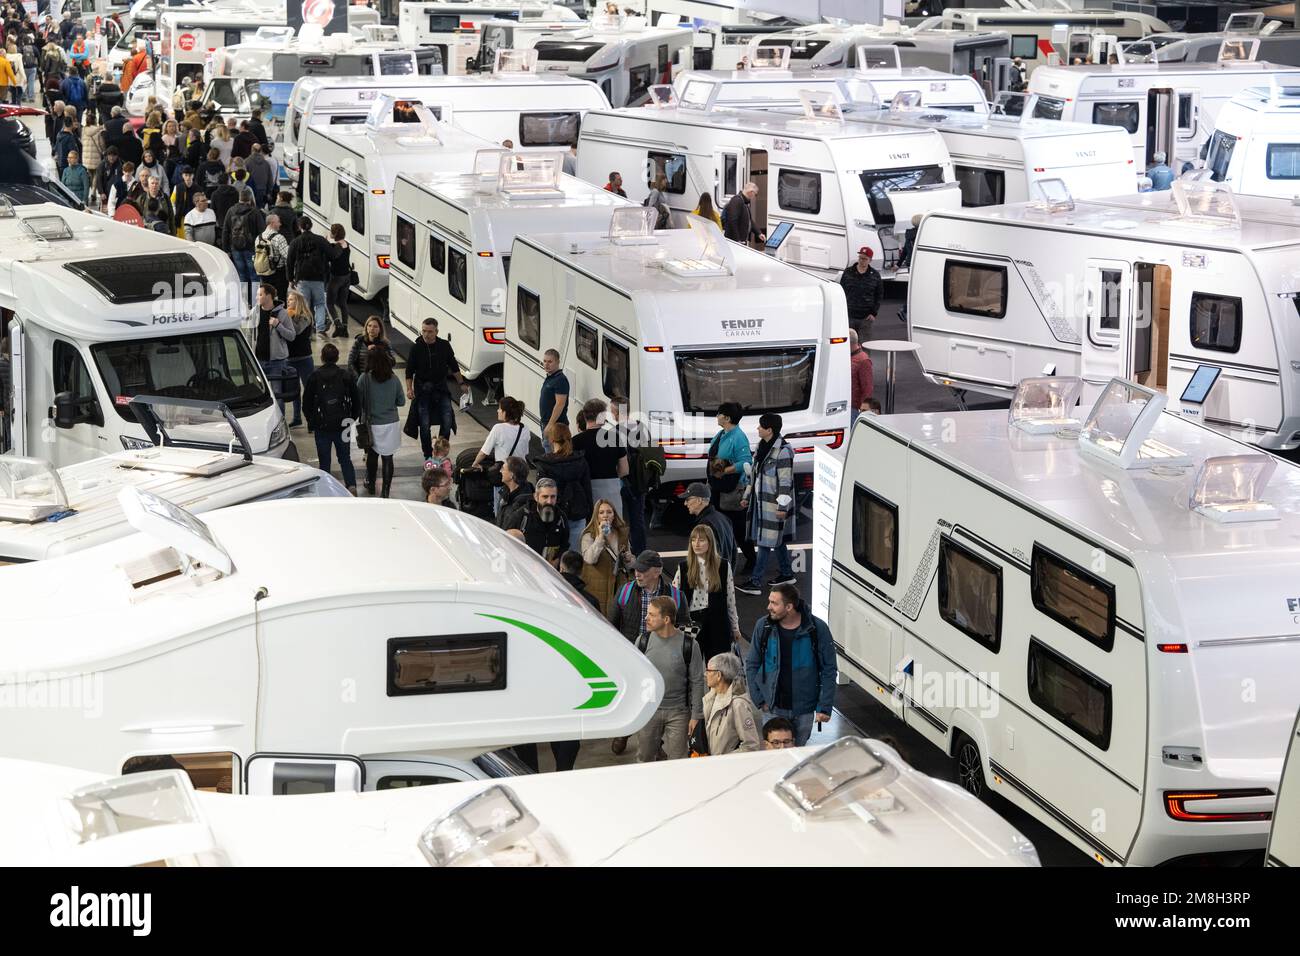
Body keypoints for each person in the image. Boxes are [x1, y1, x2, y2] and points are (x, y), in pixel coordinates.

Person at [744, 583, 836, 747]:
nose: (768, 607)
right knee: (774, 757)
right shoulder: (763, 626)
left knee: (797, 755)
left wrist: (824, 706)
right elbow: (751, 664)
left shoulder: (817, 629)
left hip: (804, 710)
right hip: (772, 708)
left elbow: (829, 669)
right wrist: (759, 699)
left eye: (774, 603)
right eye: (769, 601)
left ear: (789, 606)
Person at [633, 596, 705, 762]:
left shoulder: (689, 645)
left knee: (678, 761)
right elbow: (635, 676)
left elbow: (697, 681)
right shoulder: (642, 641)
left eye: (651, 614)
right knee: (644, 759)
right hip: (649, 711)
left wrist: (696, 715)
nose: (646, 618)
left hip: (678, 712)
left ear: (666, 619)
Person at [739, 413, 796, 596]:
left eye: (760, 426)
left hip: (772, 506)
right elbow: (754, 476)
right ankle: (787, 573)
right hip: (760, 503)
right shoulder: (761, 447)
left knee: (764, 542)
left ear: (769, 429)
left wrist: (782, 508)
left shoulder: (783, 451)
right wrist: (747, 496)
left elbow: (786, 482)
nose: (757, 429)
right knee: (775, 540)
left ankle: (756, 582)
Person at [673, 523, 741, 662]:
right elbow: (674, 599)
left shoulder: (723, 566)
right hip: (691, 621)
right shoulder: (684, 567)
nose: (696, 543)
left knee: (719, 668)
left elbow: (730, 600)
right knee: (690, 665)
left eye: (701, 540)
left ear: (710, 543)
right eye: (693, 540)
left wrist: (735, 627)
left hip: (718, 621)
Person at [301, 342, 359, 495]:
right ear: (337, 357)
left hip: (322, 427)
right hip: (343, 425)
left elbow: (306, 403)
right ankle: (351, 485)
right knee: (345, 458)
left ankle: (325, 489)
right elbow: (357, 400)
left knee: (325, 461)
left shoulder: (314, 377)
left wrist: (312, 421)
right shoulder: (346, 375)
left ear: (322, 357)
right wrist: (351, 418)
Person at [404, 317, 467, 455]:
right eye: (424, 331)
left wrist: (461, 383)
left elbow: (453, 365)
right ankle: (427, 455)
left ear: (436, 331)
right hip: (422, 391)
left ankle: (440, 451)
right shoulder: (416, 348)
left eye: (430, 331)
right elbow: (409, 371)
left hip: (441, 388)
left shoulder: (444, 345)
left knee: (447, 420)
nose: (426, 334)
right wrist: (409, 389)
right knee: (424, 425)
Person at [708, 400, 754, 574]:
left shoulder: (738, 437)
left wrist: (725, 471)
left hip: (732, 490)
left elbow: (746, 462)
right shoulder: (722, 434)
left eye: (719, 413)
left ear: (727, 418)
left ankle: (751, 559)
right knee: (721, 527)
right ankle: (723, 562)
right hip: (718, 487)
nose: (717, 416)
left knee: (738, 529)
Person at [609, 549, 690, 643]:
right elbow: (611, 626)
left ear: (657, 572)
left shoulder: (676, 596)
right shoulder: (624, 591)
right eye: (636, 569)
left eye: (642, 570)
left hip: (660, 654)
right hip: (632, 653)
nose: (637, 574)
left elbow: (683, 633)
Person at [356, 344, 405, 498]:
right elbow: (401, 401)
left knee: (372, 455)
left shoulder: (364, 378)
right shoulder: (394, 378)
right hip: (391, 423)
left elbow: (358, 400)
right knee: (388, 458)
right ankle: (385, 492)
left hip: (373, 424)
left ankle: (370, 484)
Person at [535, 422, 592, 552]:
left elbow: (542, 495)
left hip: (553, 515)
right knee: (575, 556)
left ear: (551, 439)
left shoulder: (544, 463)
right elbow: (587, 489)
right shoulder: (580, 461)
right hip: (578, 511)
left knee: (553, 556)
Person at [579, 499, 634, 618]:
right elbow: (589, 559)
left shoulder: (621, 534)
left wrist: (630, 559)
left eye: (609, 512)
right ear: (596, 516)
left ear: (614, 515)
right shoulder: (589, 535)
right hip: (596, 586)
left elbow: (630, 566)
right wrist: (600, 537)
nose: (605, 515)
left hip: (618, 585)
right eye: (601, 512)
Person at [573, 397, 627, 518]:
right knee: (614, 528)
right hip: (611, 488)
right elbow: (624, 470)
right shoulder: (614, 438)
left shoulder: (575, 442)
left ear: (585, 416)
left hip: (586, 490)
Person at [702, 652, 761, 755]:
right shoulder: (711, 698)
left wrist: (724, 760)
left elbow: (751, 746)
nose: (705, 674)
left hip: (725, 767)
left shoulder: (738, 705)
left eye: (708, 671)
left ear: (719, 675)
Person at [249, 283, 295, 412]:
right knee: (258, 394)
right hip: (258, 361)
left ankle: (280, 422)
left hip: (277, 362)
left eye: (260, 294)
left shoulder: (282, 313)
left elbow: (291, 336)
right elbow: (248, 335)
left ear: (269, 296)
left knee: (277, 393)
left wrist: (278, 325)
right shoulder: (254, 312)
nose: (257, 297)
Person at [506, 477, 568, 565]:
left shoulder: (561, 518)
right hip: (526, 568)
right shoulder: (521, 516)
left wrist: (558, 560)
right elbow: (506, 540)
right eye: (545, 497)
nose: (549, 501)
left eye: (553, 497)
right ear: (536, 497)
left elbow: (565, 544)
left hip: (551, 570)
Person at [285, 216, 331, 333]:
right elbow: (331, 254)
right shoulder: (320, 240)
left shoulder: (296, 241)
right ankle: (320, 328)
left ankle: (307, 329)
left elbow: (289, 261)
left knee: (304, 305)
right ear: (311, 226)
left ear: (300, 227)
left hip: (302, 278)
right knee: (320, 304)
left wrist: (290, 278)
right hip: (318, 278)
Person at [473, 394, 527, 488]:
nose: (498, 411)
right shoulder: (525, 428)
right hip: (521, 473)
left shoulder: (498, 428)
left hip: (505, 474)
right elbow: (525, 452)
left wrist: (475, 463)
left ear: (505, 412)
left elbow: (484, 452)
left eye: (500, 409)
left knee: (501, 500)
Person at [222, 188, 263, 306]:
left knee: (242, 276)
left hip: (235, 248)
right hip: (251, 249)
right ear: (250, 199)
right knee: (254, 276)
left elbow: (225, 230)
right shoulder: (254, 212)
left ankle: (244, 303)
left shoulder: (231, 211)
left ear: (239, 198)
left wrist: (226, 249)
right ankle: (256, 303)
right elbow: (261, 231)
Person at [282, 289, 315, 428]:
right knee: (294, 391)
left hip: (304, 358)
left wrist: (288, 316)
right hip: (290, 358)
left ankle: (311, 419)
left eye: (291, 299)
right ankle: (296, 418)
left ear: (298, 301)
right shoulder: (288, 315)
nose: (288, 302)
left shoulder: (305, 316)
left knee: (309, 391)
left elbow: (296, 331)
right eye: (288, 299)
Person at [840, 246, 882, 339]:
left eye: (864, 259)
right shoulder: (848, 272)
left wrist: (874, 313)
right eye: (860, 258)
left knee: (865, 344)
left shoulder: (875, 275)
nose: (861, 260)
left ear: (870, 260)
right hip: (849, 315)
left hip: (866, 317)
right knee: (848, 344)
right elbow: (841, 291)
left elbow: (879, 295)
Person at [538, 348, 569, 453]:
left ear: (558, 362)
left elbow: (560, 404)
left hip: (556, 425)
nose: (546, 364)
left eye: (550, 362)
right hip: (546, 423)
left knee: (553, 456)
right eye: (545, 361)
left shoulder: (560, 380)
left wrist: (550, 424)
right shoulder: (550, 377)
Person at [255, 212, 290, 303]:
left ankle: (267, 314)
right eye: (278, 222)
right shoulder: (279, 238)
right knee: (281, 297)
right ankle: (280, 315)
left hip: (264, 272)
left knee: (267, 296)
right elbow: (287, 255)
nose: (280, 224)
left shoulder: (258, 238)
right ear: (272, 223)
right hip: (278, 273)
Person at [325, 223, 352, 338]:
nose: (330, 233)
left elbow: (332, 256)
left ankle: (338, 325)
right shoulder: (346, 244)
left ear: (335, 233)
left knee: (330, 303)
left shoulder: (337, 247)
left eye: (331, 231)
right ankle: (345, 329)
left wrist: (326, 244)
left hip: (336, 278)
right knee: (343, 303)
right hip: (347, 277)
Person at [496, 456, 533, 529]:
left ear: (511, 475)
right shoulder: (504, 492)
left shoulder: (526, 501)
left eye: (503, 468)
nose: (500, 471)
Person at [723, 181, 763, 246]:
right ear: (751, 192)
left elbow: (749, 221)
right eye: (755, 194)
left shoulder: (744, 202)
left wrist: (758, 233)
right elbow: (732, 221)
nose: (754, 197)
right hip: (735, 242)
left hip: (740, 242)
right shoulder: (737, 201)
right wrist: (737, 240)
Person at [849, 328, 874, 424]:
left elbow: (867, 389)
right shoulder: (848, 356)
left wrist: (863, 411)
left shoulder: (863, 361)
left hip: (854, 409)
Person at [169, 165, 197, 237]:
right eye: (186, 175)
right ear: (182, 176)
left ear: (193, 176)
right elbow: (172, 202)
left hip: (194, 218)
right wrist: (175, 213)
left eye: (190, 175)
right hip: (181, 219)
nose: (188, 177)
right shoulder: (177, 187)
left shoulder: (198, 188)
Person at [246, 142, 273, 208]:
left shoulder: (247, 162)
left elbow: (245, 177)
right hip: (263, 190)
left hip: (251, 190)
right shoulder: (266, 163)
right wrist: (269, 192)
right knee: (261, 209)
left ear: (251, 150)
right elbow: (270, 179)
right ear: (260, 151)